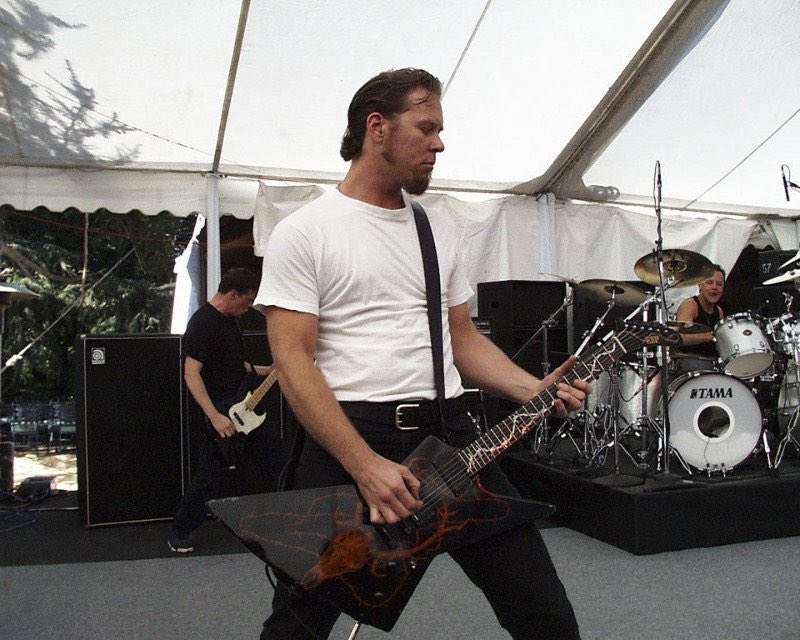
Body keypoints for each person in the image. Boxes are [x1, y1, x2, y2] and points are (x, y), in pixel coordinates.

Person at [254, 68, 591, 639]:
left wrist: (532, 390)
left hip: (448, 437)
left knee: (542, 610)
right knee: (299, 625)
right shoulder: (305, 231)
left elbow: (462, 340)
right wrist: (364, 466)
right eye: (426, 127)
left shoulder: (437, 230)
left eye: (440, 130)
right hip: (349, 439)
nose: (439, 144)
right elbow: (293, 364)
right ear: (378, 127)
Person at [169, 267, 278, 553]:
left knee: (271, 458)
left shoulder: (230, 322)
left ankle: (273, 522)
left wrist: (264, 370)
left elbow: (230, 361)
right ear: (233, 294)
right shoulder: (203, 323)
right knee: (209, 475)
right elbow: (191, 373)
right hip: (217, 413)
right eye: (248, 300)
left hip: (240, 407)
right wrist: (214, 416)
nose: (249, 307)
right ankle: (179, 531)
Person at [673, 266, 725, 376]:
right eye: (710, 283)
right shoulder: (690, 305)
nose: (714, 287)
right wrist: (710, 336)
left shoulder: (719, 311)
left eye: (719, 284)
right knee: (701, 367)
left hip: (711, 360)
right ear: (700, 285)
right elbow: (681, 338)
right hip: (689, 360)